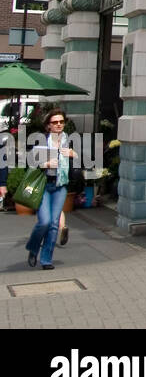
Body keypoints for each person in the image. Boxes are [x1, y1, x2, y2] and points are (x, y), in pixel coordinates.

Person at [25, 108, 76, 270]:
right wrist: (45, 164)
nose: (59, 124)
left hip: (60, 185)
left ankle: (46, 259)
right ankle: (33, 248)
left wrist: (73, 155)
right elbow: (30, 161)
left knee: (54, 224)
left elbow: (81, 161)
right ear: (48, 125)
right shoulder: (41, 141)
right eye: (55, 122)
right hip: (44, 185)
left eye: (61, 121)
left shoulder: (69, 141)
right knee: (44, 222)